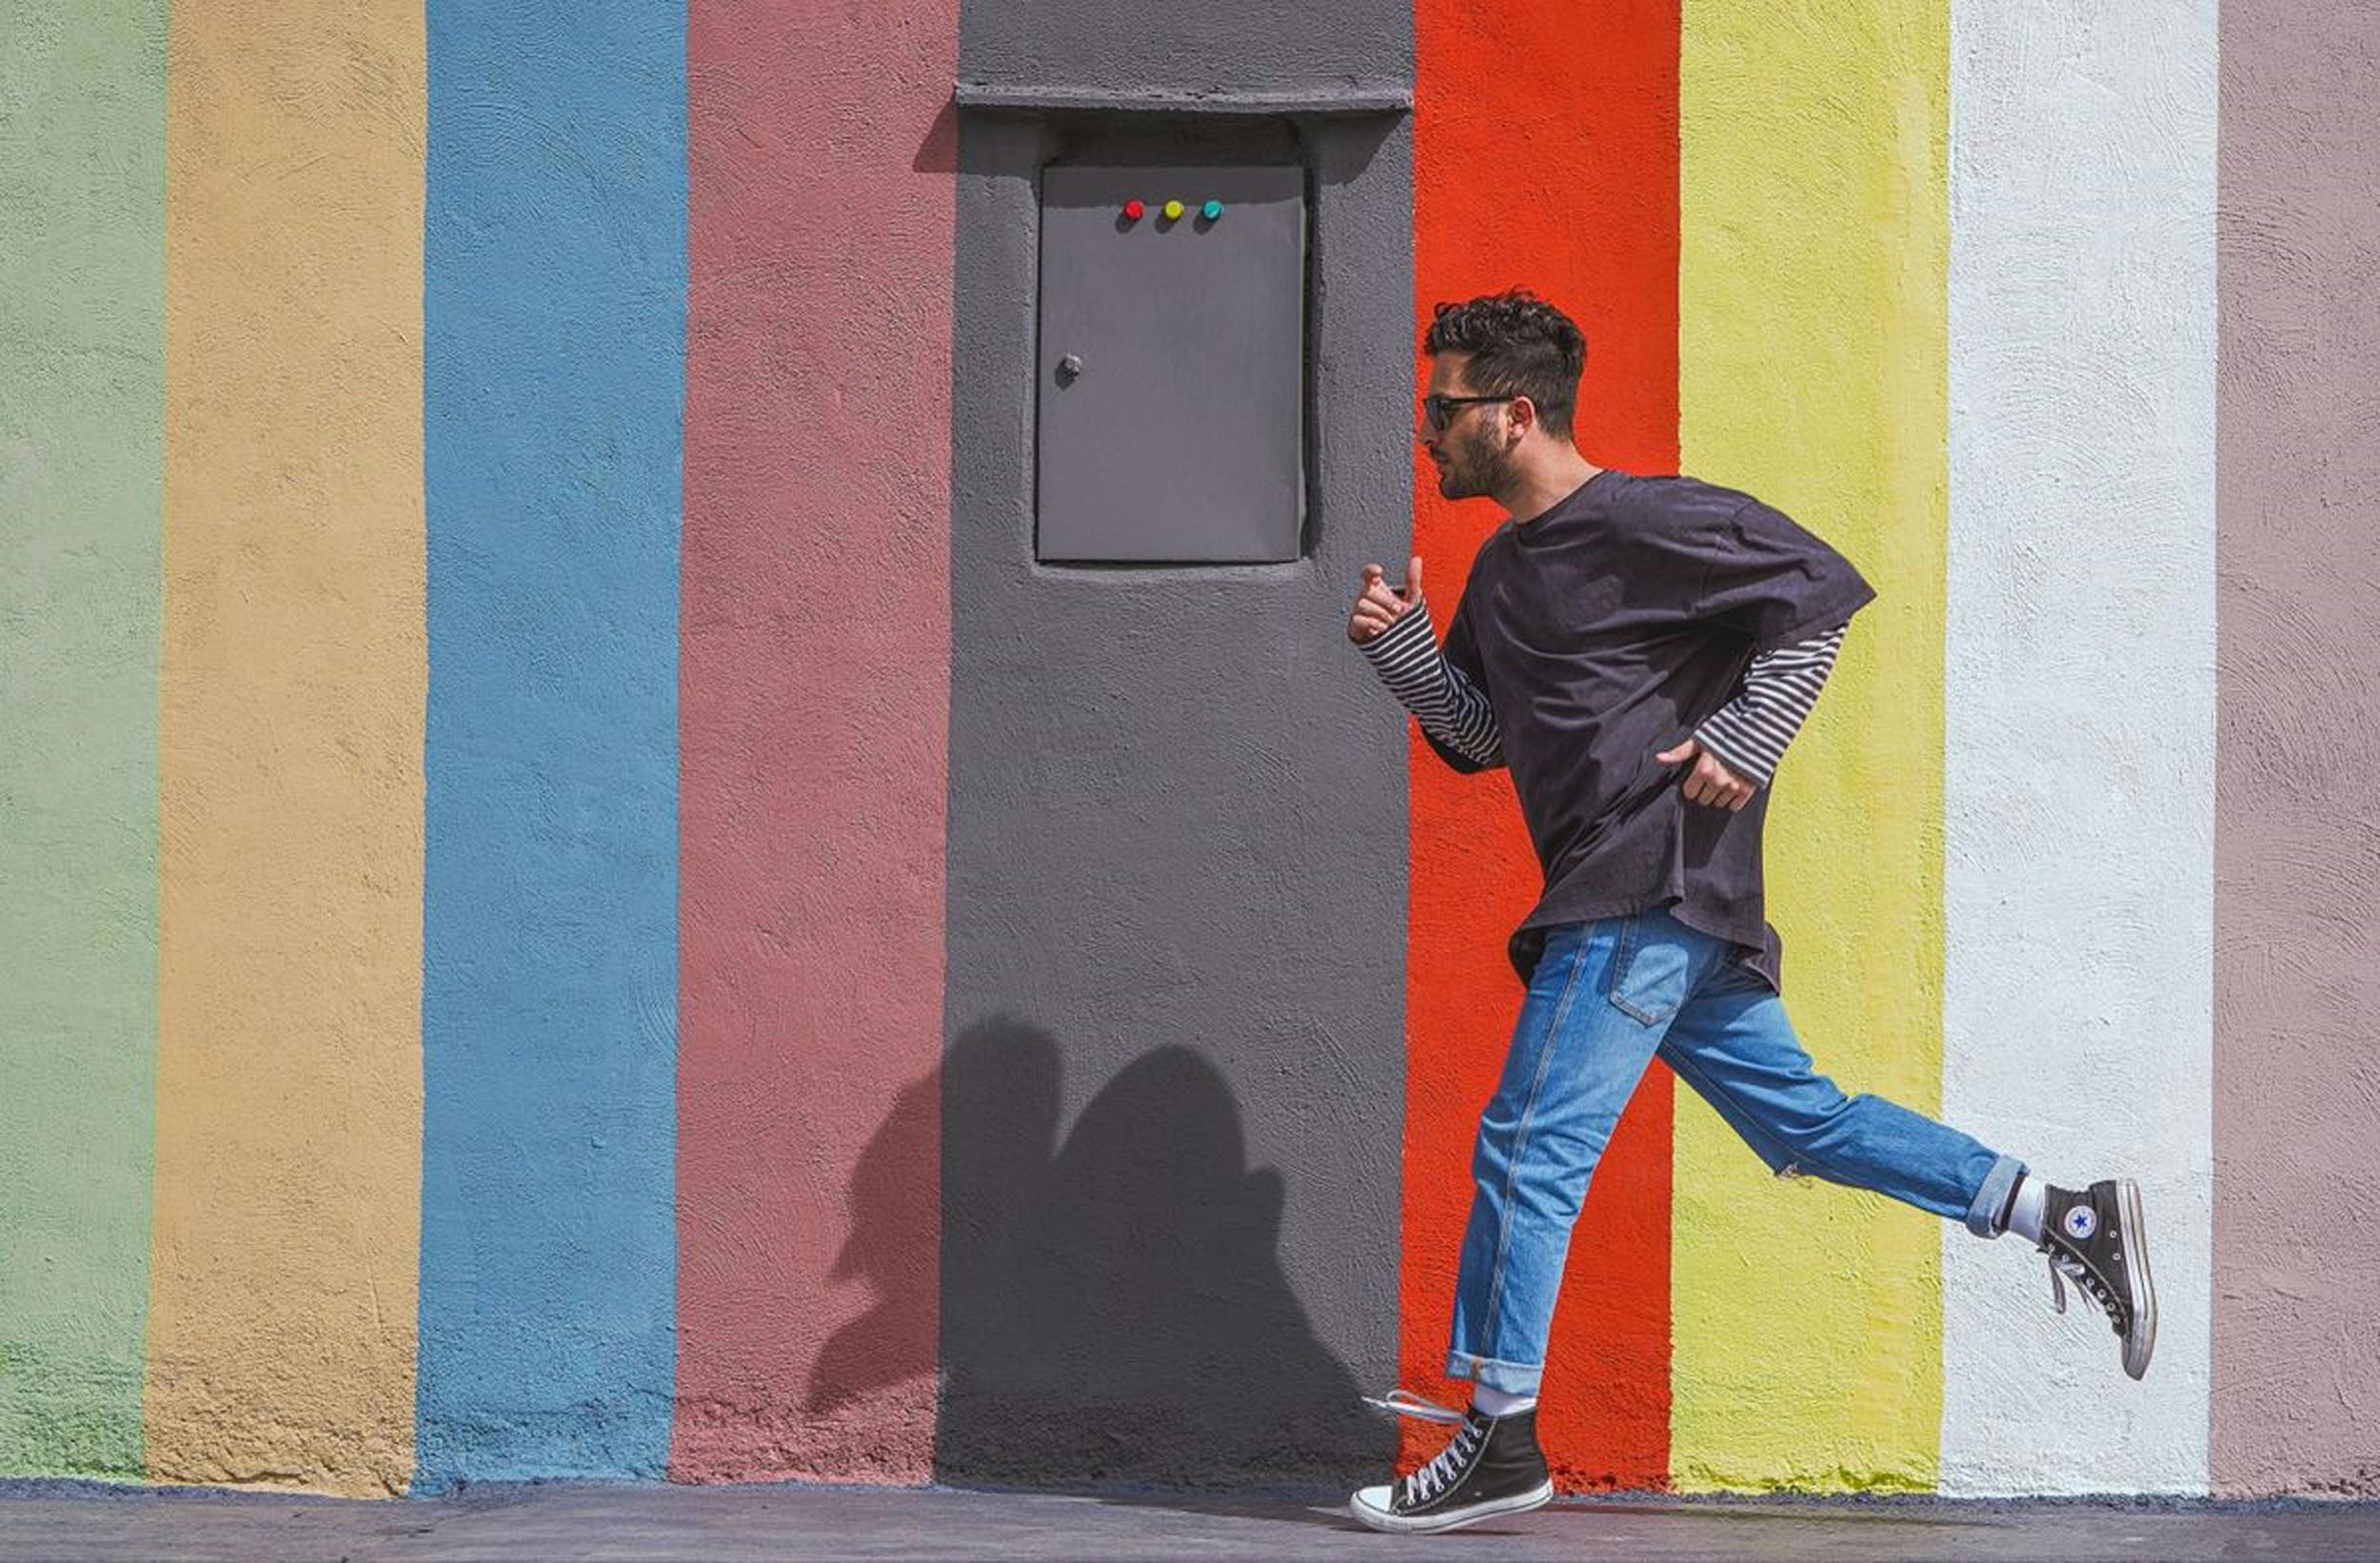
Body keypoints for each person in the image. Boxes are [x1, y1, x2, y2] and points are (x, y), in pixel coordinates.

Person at [1341, 289, 2154, 1536]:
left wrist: (1745, 731)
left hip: (1642, 885)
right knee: (1805, 1122)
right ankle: (2060, 1208)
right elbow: (1482, 736)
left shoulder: (1652, 517)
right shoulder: (1503, 572)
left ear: (1513, 414)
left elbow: (1815, 599)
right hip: (1663, 911)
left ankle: (1499, 1430)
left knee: (1524, 1149)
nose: (1424, 430)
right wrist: (1402, 652)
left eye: (1442, 409)